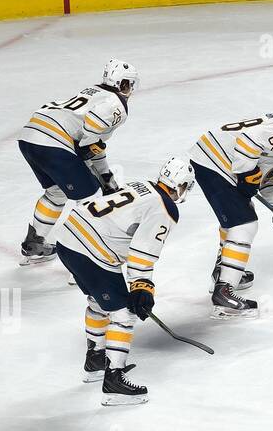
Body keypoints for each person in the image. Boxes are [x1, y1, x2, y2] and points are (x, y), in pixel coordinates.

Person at [56, 157, 195, 406]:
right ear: (182, 185)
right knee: (123, 314)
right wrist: (142, 287)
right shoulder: (165, 209)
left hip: (67, 238)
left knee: (98, 302)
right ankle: (114, 382)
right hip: (92, 250)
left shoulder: (140, 185)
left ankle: (95, 360)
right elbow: (142, 250)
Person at [191, 92, 273, 317]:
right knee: (244, 223)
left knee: (237, 219)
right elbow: (247, 142)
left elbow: (269, 177)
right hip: (213, 164)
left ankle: (223, 272)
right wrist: (246, 175)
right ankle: (224, 291)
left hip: (211, 159)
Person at [17, 60, 140, 266]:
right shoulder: (116, 103)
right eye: (131, 84)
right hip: (53, 142)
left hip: (30, 136)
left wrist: (104, 174)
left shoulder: (94, 91)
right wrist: (97, 169)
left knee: (56, 193)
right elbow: (91, 134)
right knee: (93, 199)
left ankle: (34, 244)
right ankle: (87, 256)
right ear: (124, 84)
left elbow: (93, 144)